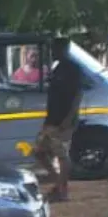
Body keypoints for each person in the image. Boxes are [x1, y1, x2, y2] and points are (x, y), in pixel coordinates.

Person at [35, 37, 83, 201]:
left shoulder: (73, 69)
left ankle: (63, 191)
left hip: (64, 121)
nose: (52, 52)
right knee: (39, 152)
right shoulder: (57, 68)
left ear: (64, 50)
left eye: (55, 49)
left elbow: (77, 96)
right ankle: (58, 183)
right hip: (52, 119)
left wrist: (69, 119)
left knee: (62, 155)